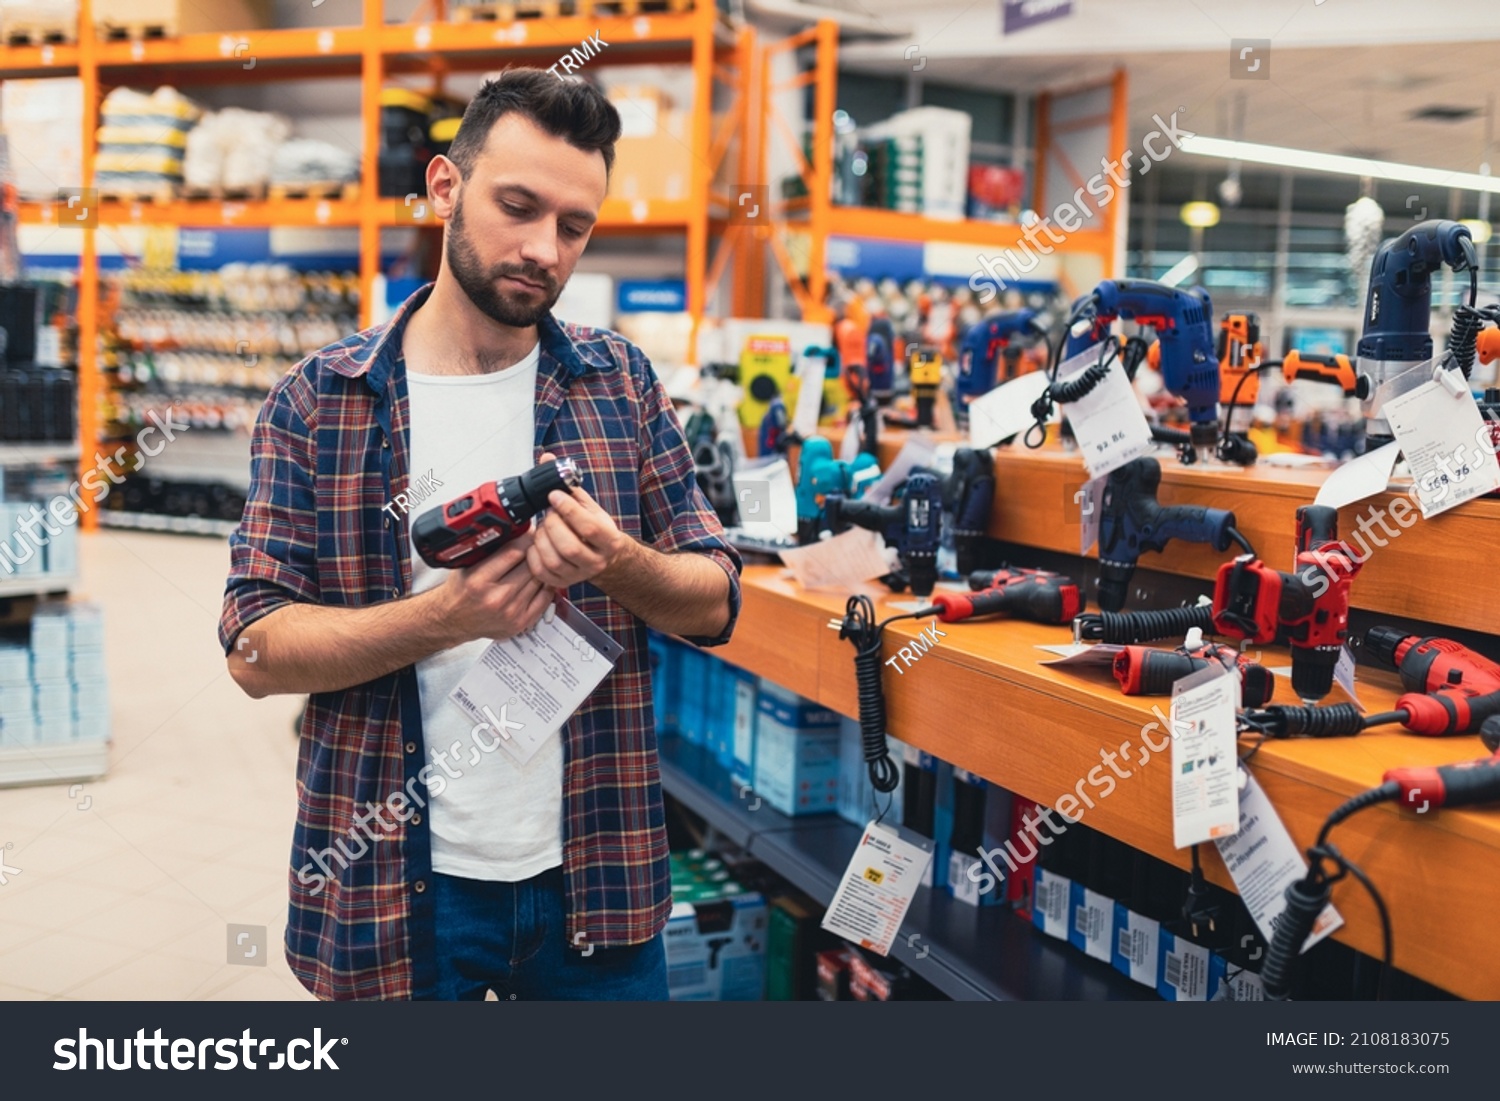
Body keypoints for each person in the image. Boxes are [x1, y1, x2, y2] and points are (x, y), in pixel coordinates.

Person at [218, 69, 741, 1001]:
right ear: (446, 188)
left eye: (574, 227)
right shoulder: (321, 400)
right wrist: (447, 616)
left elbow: (715, 600)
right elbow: (255, 650)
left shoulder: (618, 385)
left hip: (596, 882)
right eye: (518, 206)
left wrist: (618, 562)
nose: (544, 248)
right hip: (396, 892)